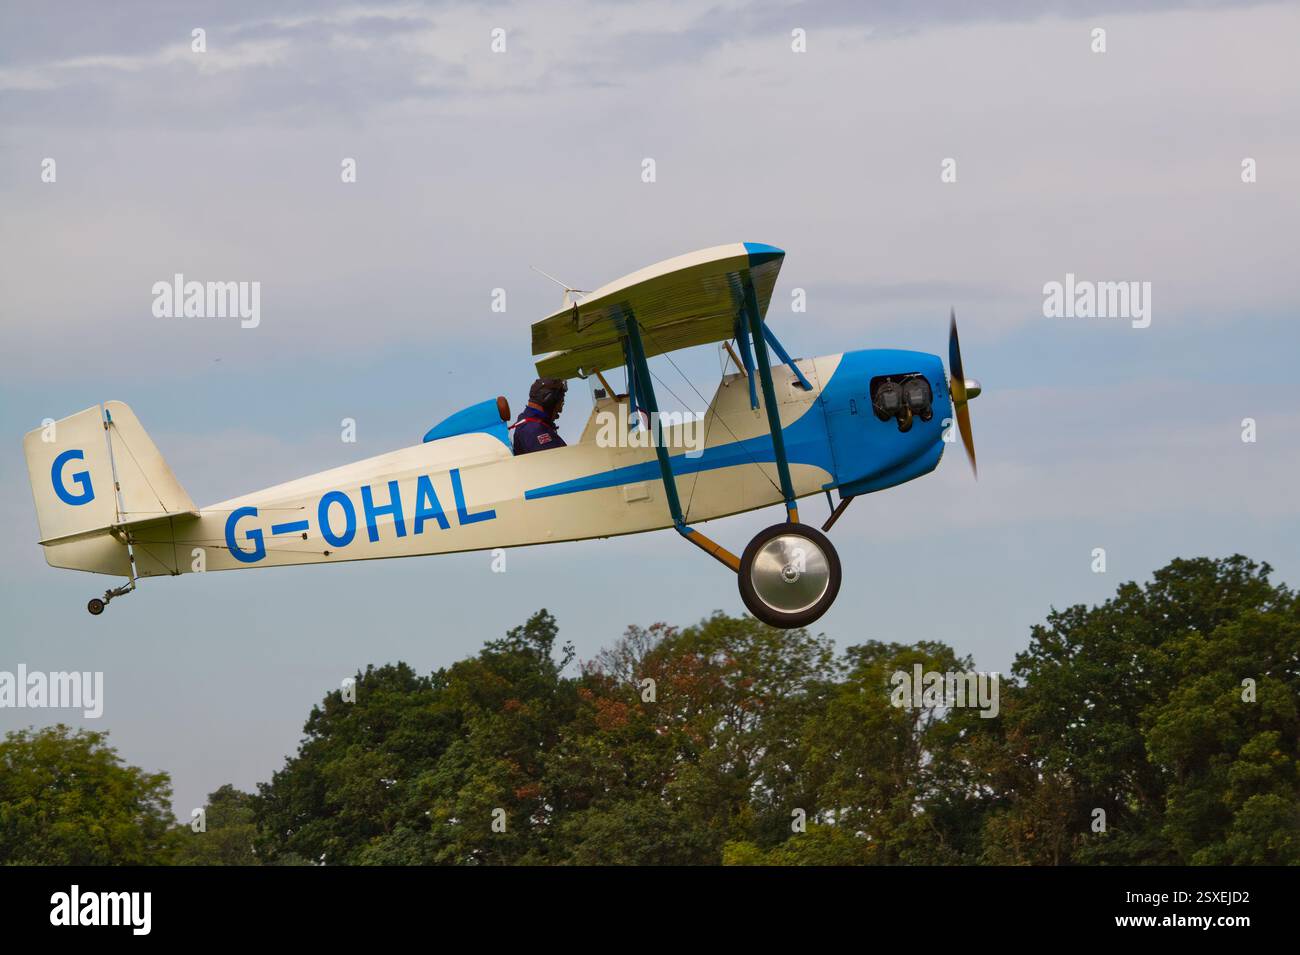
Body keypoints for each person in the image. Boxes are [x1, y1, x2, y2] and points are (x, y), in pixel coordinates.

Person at [511, 377, 568, 454]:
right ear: (549, 400)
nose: (560, 410)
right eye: (560, 404)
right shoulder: (535, 430)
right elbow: (558, 462)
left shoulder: (529, 424)